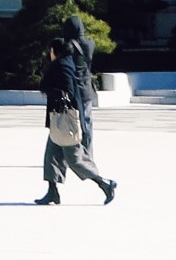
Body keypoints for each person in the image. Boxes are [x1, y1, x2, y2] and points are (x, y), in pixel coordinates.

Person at [36, 37, 117, 205]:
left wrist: (53, 91)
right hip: (58, 120)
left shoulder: (63, 65)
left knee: (75, 159)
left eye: (50, 51)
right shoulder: (63, 63)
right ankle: (52, 192)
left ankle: (105, 184)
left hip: (66, 121)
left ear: (54, 51)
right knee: (51, 156)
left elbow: (69, 91)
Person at [62, 14, 98, 147]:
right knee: (87, 123)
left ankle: (71, 152)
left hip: (71, 87)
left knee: (67, 122)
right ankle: (88, 152)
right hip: (86, 87)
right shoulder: (90, 43)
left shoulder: (67, 46)